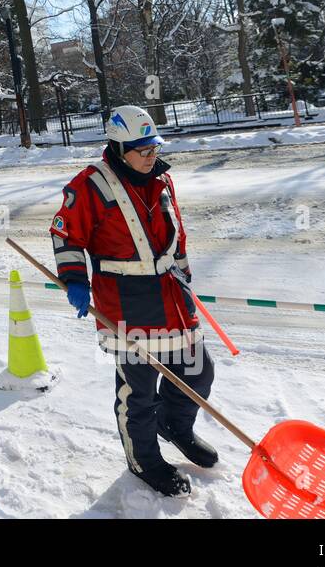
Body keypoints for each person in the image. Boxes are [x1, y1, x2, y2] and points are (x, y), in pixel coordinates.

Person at [48, 105, 217, 498]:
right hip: (125, 301)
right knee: (138, 392)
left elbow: (177, 235)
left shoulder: (162, 180)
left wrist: (184, 272)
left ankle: (174, 425)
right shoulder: (90, 185)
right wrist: (75, 280)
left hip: (171, 294)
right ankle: (143, 460)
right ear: (120, 149)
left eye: (154, 148)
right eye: (143, 150)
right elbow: (65, 235)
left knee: (198, 372)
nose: (151, 156)